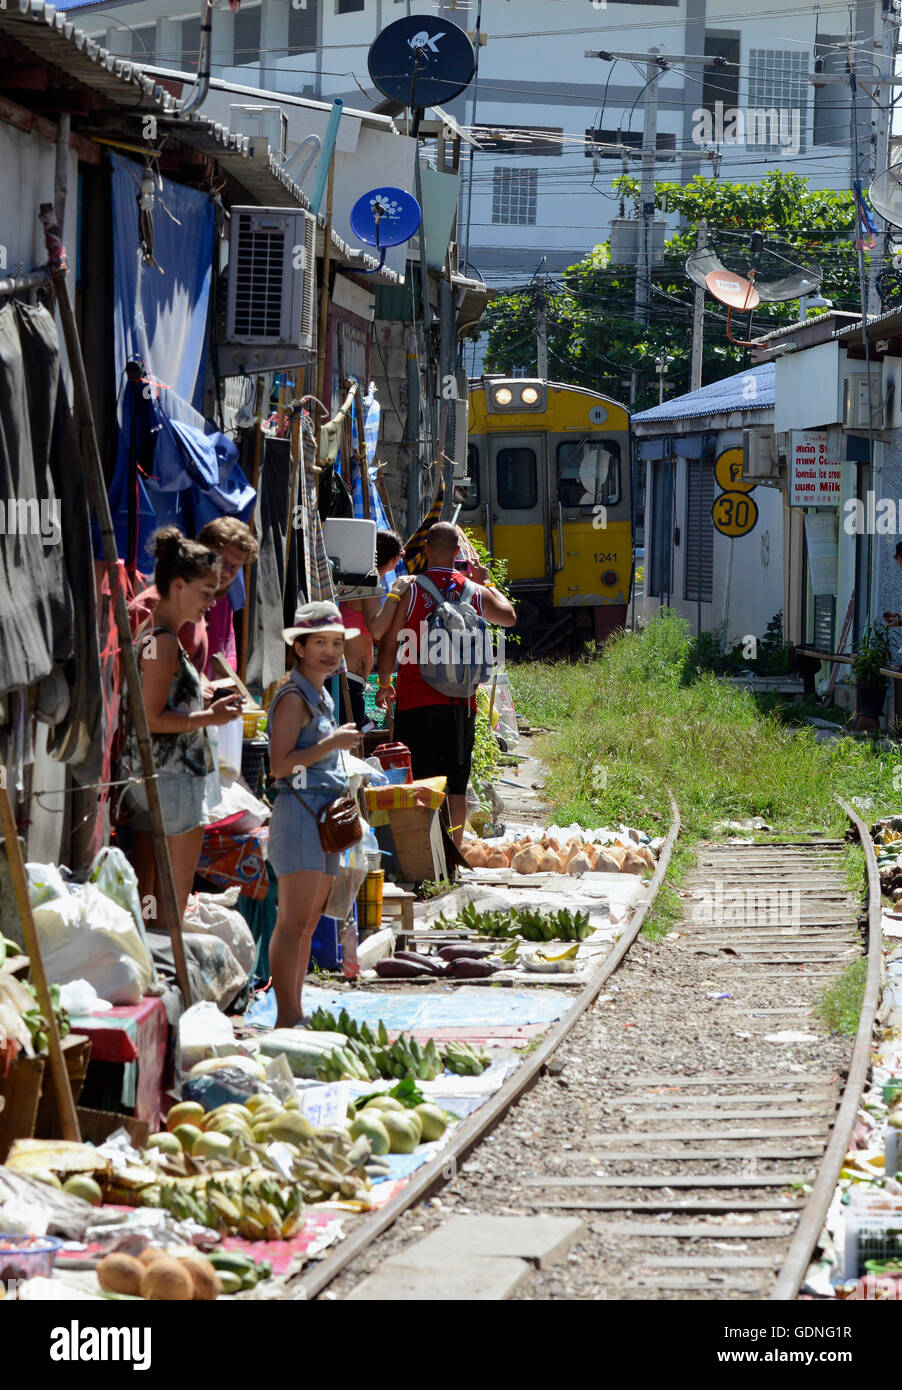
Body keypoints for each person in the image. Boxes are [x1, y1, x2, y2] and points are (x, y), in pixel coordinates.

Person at [120, 528, 244, 926]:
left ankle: (156, 970)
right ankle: (167, 973)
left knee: (154, 899)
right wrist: (213, 716)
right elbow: (151, 717)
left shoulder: (155, 636)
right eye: (205, 591)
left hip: (160, 780)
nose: (211, 602)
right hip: (174, 784)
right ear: (178, 585)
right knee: (170, 899)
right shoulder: (165, 641)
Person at [376, 522, 516, 846]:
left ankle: (425, 853)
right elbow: (508, 616)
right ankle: (452, 854)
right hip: (461, 704)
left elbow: (389, 644)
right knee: (456, 783)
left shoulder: (411, 588)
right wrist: (487, 582)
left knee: (421, 780)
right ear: (457, 553)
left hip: (415, 700)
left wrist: (385, 683)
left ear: (426, 551)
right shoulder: (472, 591)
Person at [266, 602, 360, 1027]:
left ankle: (296, 1011)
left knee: (308, 923)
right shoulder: (292, 695)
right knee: (292, 922)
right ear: (299, 647)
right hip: (300, 815)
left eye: (336, 643)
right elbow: (280, 765)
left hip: (323, 817)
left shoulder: (320, 692)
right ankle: (287, 1015)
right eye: (320, 642)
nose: (330, 651)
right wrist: (331, 745)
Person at [338, 529, 411, 728]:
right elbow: (377, 629)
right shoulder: (369, 583)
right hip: (348, 680)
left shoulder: (365, 580)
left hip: (353, 680)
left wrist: (383, 684)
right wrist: (395, 594)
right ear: (395, 558)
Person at [195, 517, 260, 681]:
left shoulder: (221, 601)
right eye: (223, 562)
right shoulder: (177, 595)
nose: (226, 573)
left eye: (235, 567)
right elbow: (151, 651)